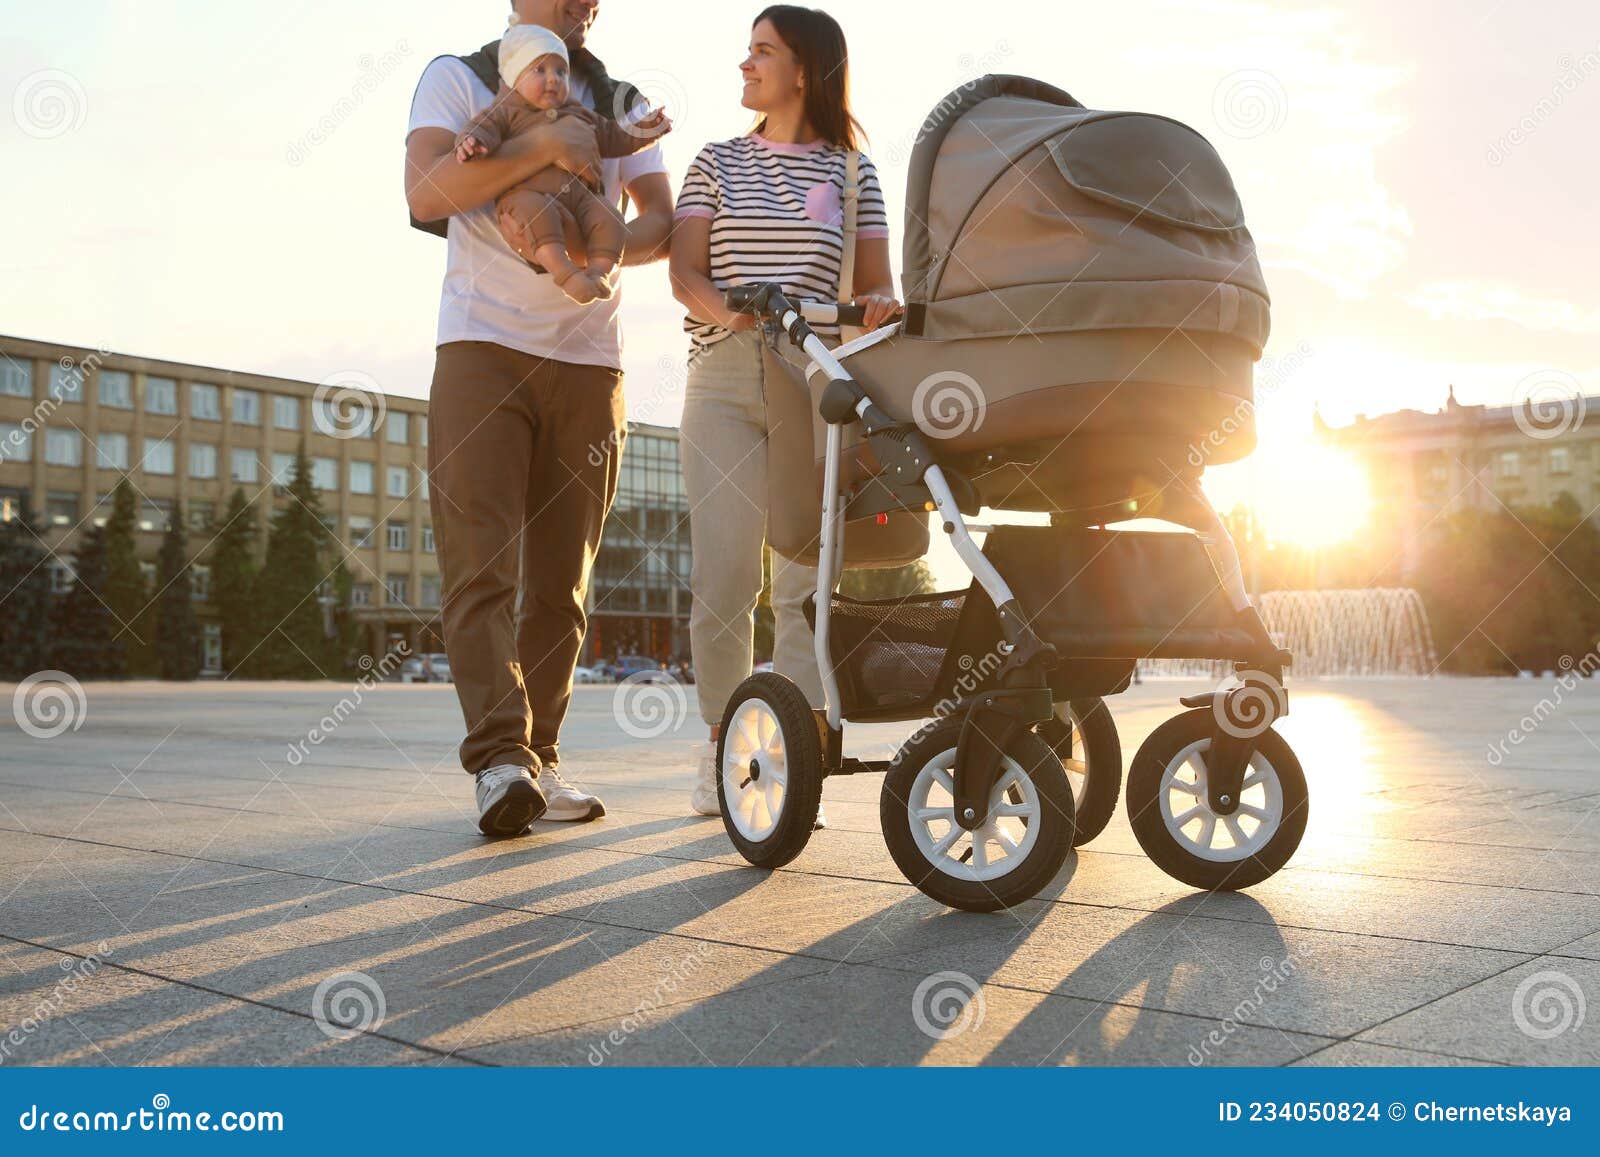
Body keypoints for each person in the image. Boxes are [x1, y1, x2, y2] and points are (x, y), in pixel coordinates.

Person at [405, 0, 673, 837]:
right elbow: (427, 190)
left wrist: (599, 246)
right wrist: (545, 149)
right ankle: (499, 758)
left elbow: (660, 219)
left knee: (562, 582)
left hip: (590, 360)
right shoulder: (460, 78)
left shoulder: (620, 100)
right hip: (481, 348)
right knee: (480, 566)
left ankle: (539, 758)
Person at [668, 5, 900, 817]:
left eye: (761, 51)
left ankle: (790, 755)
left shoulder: (854, 174)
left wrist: (879, 307)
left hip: (815, 375)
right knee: (726, 572)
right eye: (747, 50)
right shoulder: (716, 161)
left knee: (805, 575)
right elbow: (684, 273)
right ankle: (721, 744)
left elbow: (877, 284)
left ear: (803, 70)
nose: (745, 63)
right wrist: (732, 314)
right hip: (725, 373)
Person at [455, 18, 670, 303]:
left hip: (581, 195)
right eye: (539, 70)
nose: (553, 79)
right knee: (537, 217)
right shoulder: (505, 111)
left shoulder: (577, 112)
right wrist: (472, 143)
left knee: (610, 219)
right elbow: (483, 128)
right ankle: (565, 274)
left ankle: (599, 272)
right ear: (515, 77)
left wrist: (646, 129)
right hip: (528, 194)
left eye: (561, 71)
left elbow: (613, 137)